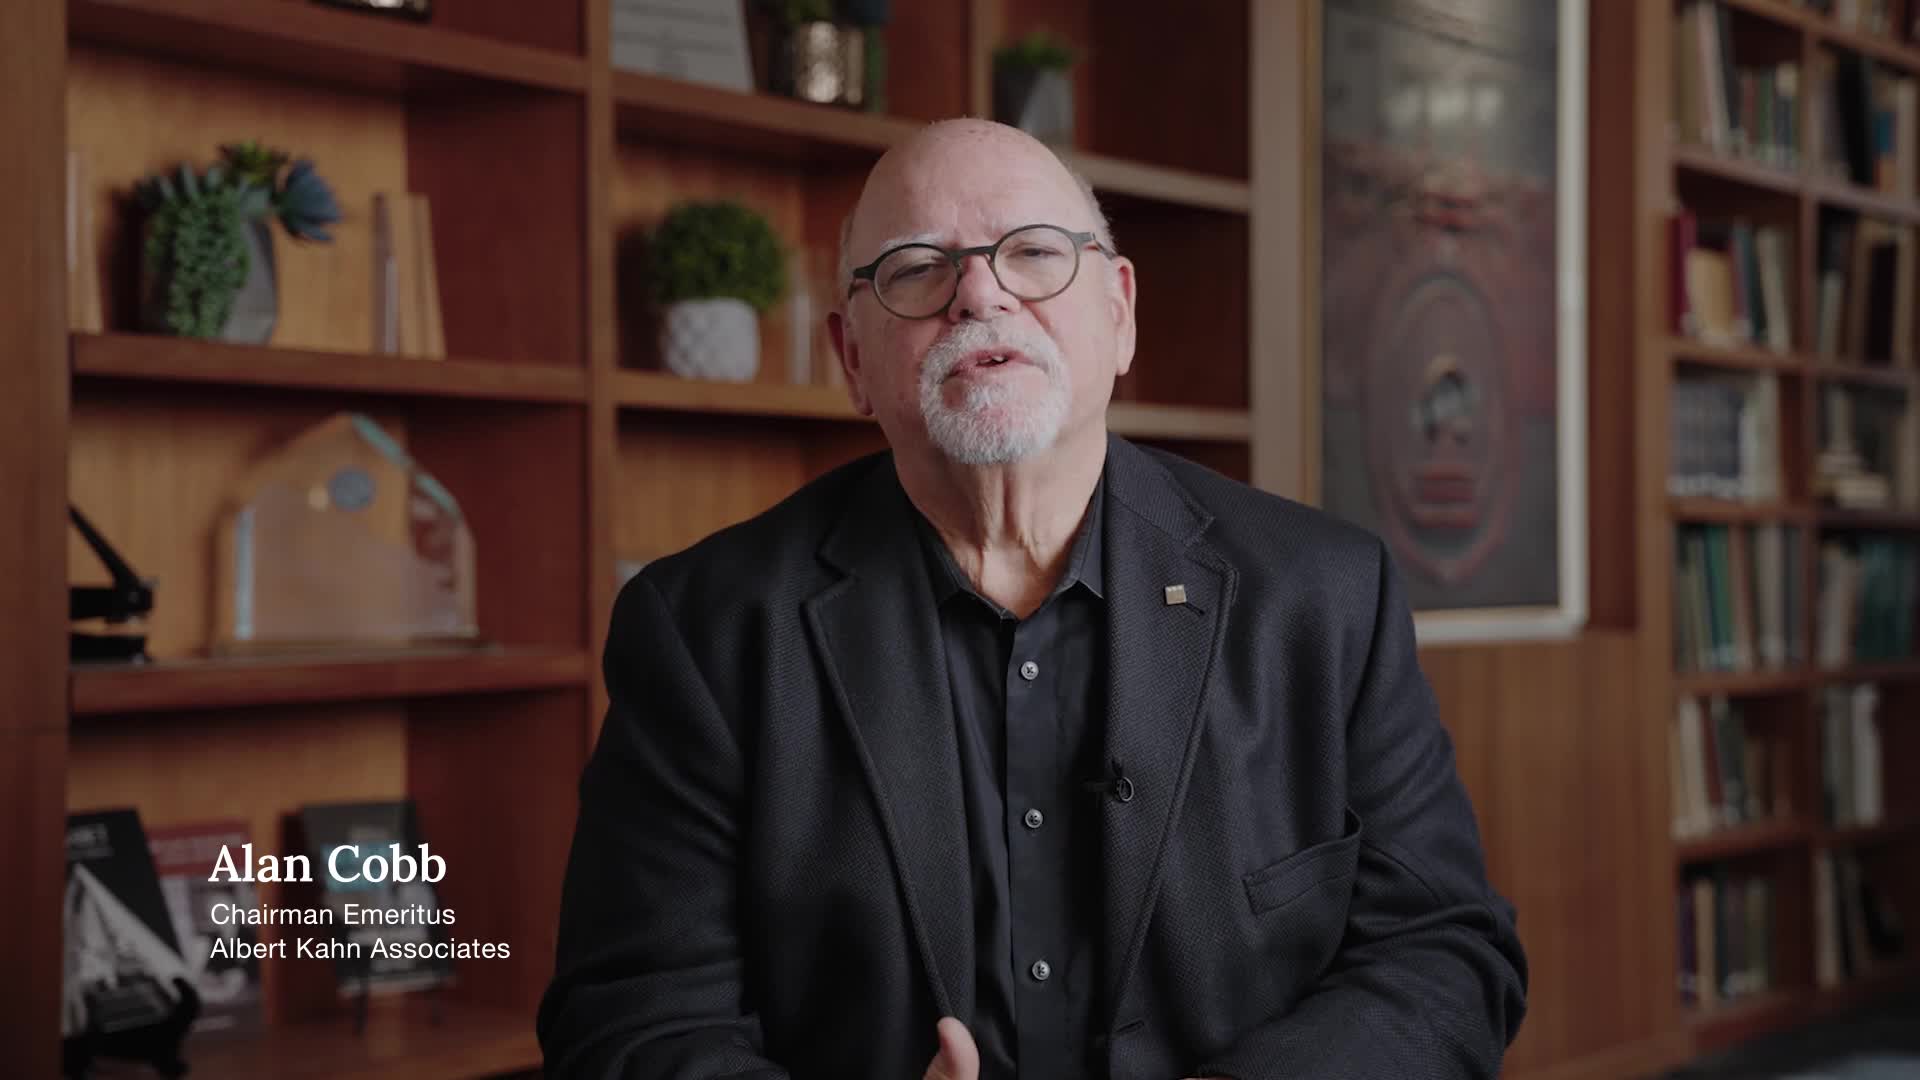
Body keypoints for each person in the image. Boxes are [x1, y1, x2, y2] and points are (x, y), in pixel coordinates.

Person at [537, 117, 1527, 1080]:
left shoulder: (1326, 596)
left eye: (1035, 253)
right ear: (853, 360)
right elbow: (630, 1019)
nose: (980, 293)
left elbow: (1443, 949)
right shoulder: (706, 631)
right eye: (916, 269)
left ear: (1120, 314)